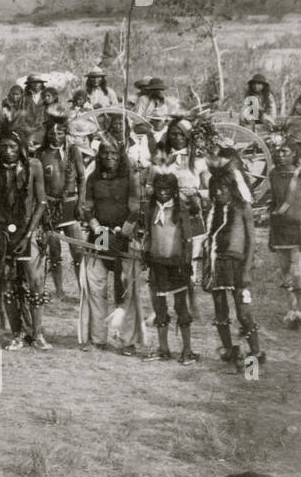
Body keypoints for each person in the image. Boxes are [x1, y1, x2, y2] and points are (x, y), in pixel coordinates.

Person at [0, 127, 50, 351]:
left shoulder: (34, 166)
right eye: (3, 147)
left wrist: (29, 233)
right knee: (7, 284)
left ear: (21, 148)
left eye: (13, 146)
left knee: (35, 283)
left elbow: (41, 202)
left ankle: (37, 334)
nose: (8, 151)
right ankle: (17, 334)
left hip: (27, 228)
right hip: (1, 231)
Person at [78, 138, 143, 354]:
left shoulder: (130, 178)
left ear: (121, 155)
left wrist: (123, 232)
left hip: (124, 235)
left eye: (114, 153)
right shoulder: (93, 179)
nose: (109, 157)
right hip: (101, 235)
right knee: (96, 286)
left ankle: (127, 342)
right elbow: (87, 209)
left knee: (126, 288)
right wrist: (97, 228)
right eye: (105, 153)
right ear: (99, 155)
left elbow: (135, 210)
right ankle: (97, 338)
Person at [203, 169, 264, 372]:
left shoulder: (242, 207)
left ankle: (254, 356)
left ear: (232, 188)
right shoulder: (214, 210)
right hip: (217, 264)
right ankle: (230, 352)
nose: (219, 192)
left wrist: (246, 270)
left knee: (243, 313)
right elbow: (208, 241)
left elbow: (252, 241)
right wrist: (206, 270)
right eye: (215, 189)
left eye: (223, 188)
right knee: (220, 311)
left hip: (238, 265)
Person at [141, 171, 203, 364]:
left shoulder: (180, 209)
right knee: (159, 307)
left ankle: (187, 350)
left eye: (168, 189)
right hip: (157, 264)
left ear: (174, 190)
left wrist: (187, 263)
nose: (163, 193)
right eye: (159, 189)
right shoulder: (151, 210)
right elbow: (148, 236)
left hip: (177, 265)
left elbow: (188, 238)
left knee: (180, 306)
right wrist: (146, 255)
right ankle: (163, 348)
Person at [36, 108, 86, 299]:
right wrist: (42, 208)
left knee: (78, 251)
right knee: (54, 252)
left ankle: (83, 290)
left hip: (70, 204)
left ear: (66, 133)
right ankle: (59, 290)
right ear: (47, 134)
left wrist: (81, 203)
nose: (56, 136)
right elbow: (38, 183)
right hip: (50, 207)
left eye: (60, 132)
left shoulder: (73, 151)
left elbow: (82, 178)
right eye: (52, 132)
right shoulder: (41, 154)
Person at [266, 141, 301, 328]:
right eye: (278, 151)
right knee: (285, 273)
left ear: (294, 155)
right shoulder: (273, 174)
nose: (280, 154)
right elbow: (274, 200)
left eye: (285, 151)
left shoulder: (300, 174)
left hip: (299, 228)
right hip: (279, 228)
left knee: (298, 274)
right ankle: (292, 310)